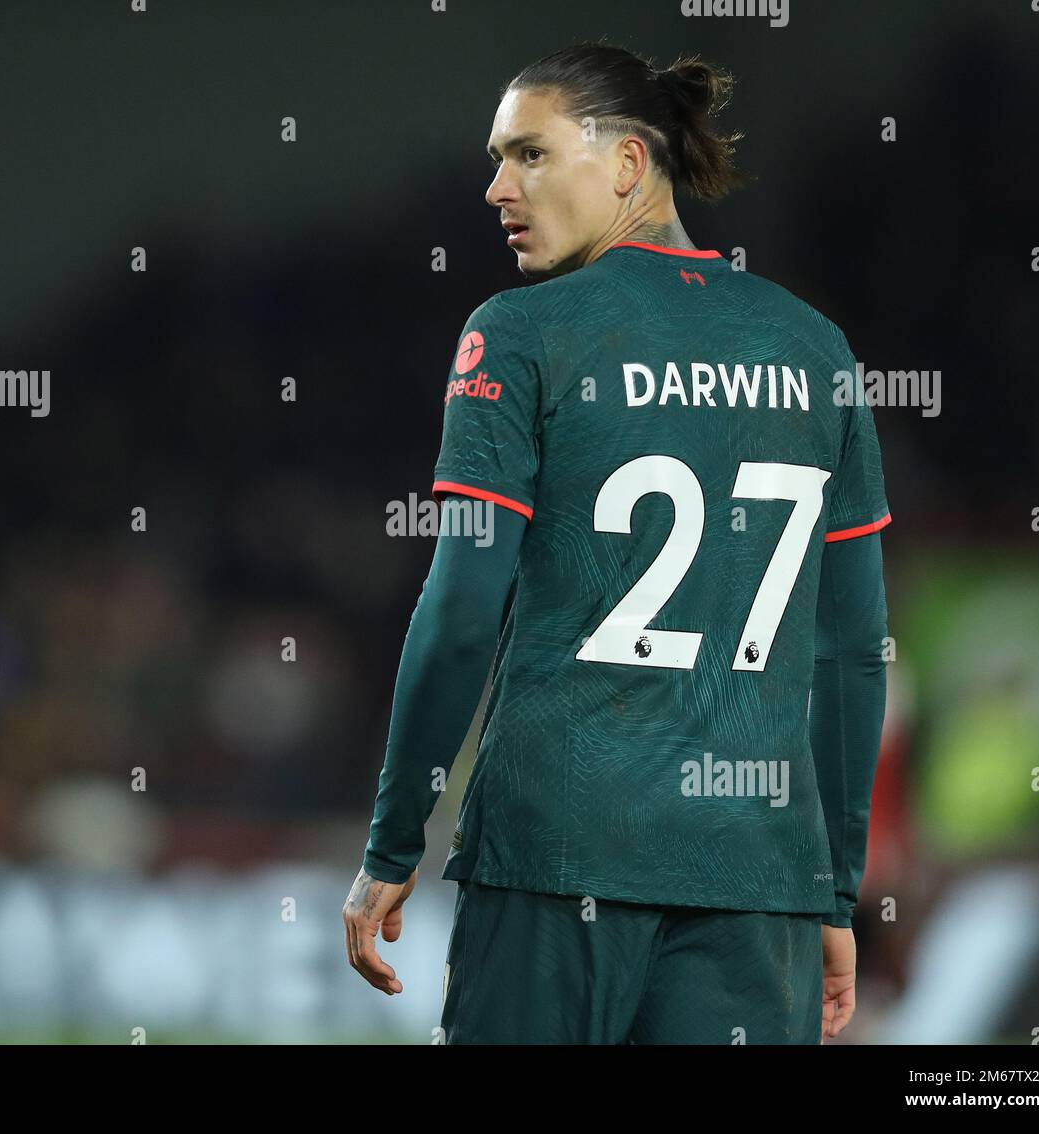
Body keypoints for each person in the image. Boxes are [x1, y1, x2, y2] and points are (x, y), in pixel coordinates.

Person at [343, 41, 890, 1045]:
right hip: (757, 876)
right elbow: (852, 650)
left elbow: (461, 612)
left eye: (530, 154)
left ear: (629, 163)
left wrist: (392, 842)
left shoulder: (519, 333)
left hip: (557, 853)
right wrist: (834, 889)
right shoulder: (817, 349)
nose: (496, 188)